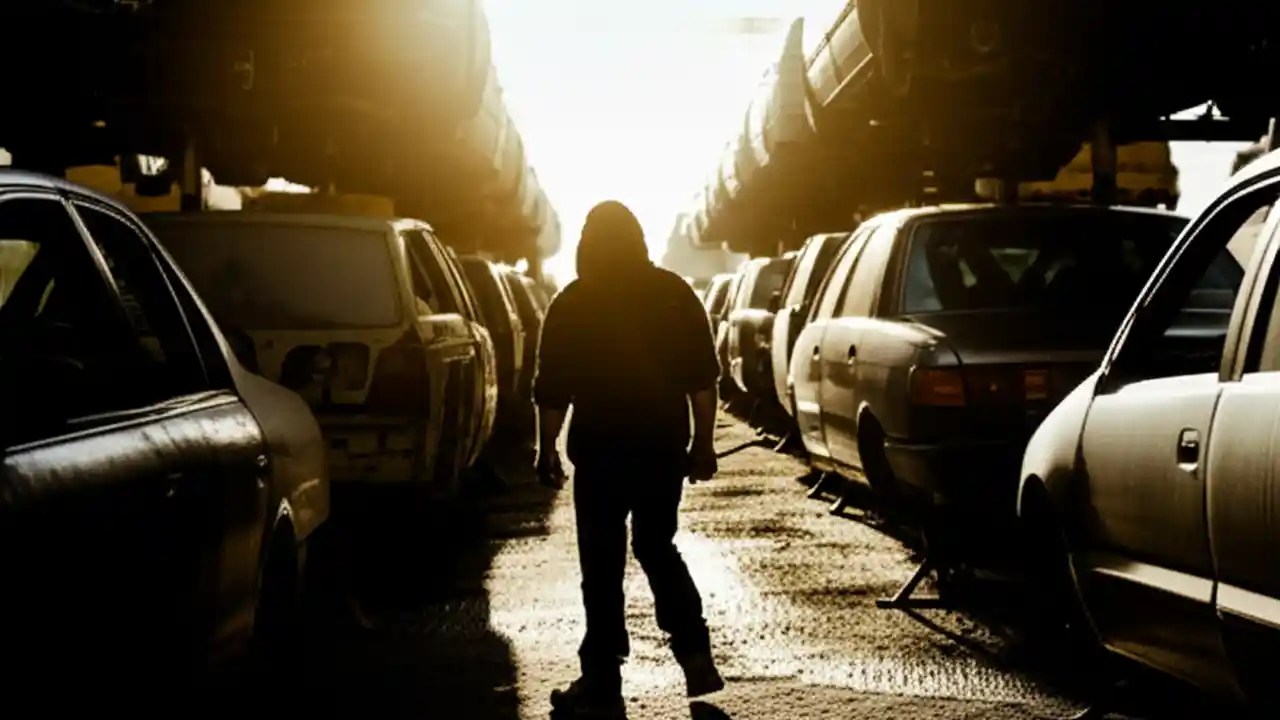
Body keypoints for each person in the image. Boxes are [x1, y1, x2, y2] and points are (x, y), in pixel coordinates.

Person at [535, 201, 724, 717]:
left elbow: (552, 391)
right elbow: (702, 380)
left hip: (599, 454)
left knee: (601, 566)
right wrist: (702, 444)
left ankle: (601, 678)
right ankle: (694, 650)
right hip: (661, 449)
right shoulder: (674, 294)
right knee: (657, 545)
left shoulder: (573, 302)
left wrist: (546, 448)